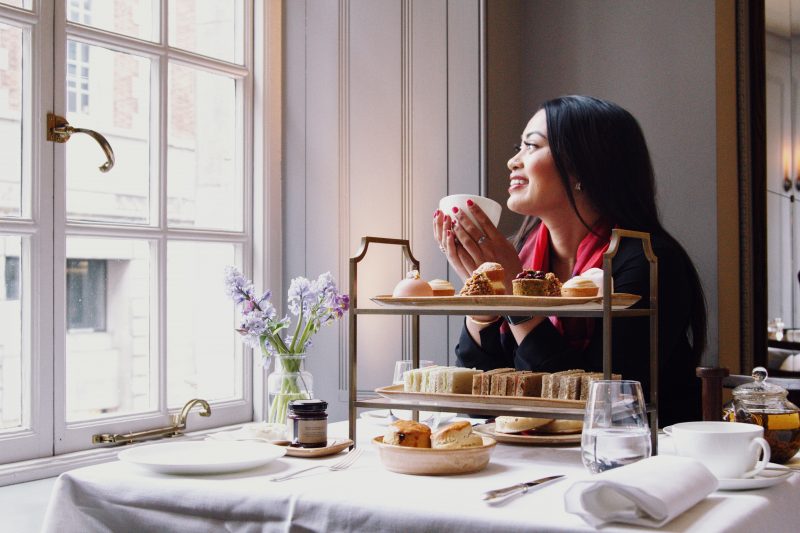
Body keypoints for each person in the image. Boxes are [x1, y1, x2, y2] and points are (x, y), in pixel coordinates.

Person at [432, 95, 706, 427]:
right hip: (530, 452)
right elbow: (481, 406)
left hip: (635, 450)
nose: (513, 161)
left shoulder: (649, 260)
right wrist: (485, 303)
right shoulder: (521, 254)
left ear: (585, 165)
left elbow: (597, 403)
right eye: (519, 147)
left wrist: (519, 298)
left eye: (531, 146)